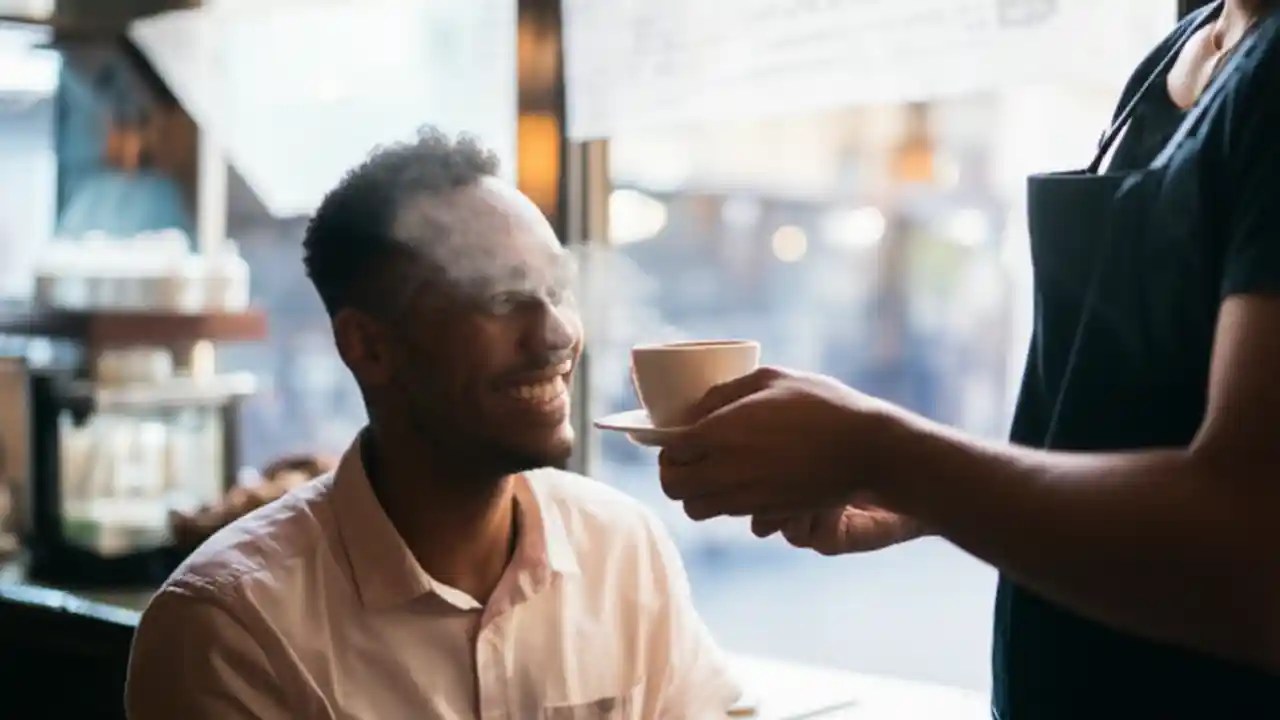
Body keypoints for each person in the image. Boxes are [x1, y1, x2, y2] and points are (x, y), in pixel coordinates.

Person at [657, 1, 1280, 717]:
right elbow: (1119, 419)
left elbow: (1253, 549)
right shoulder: (1184, 49)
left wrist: (886, 454)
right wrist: (922, 493)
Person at [126, 129, 741, 719]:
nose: (556, 335)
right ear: (369, 346)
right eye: (502, 298)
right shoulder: (233, 625)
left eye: (558, 291)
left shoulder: (621, 548)